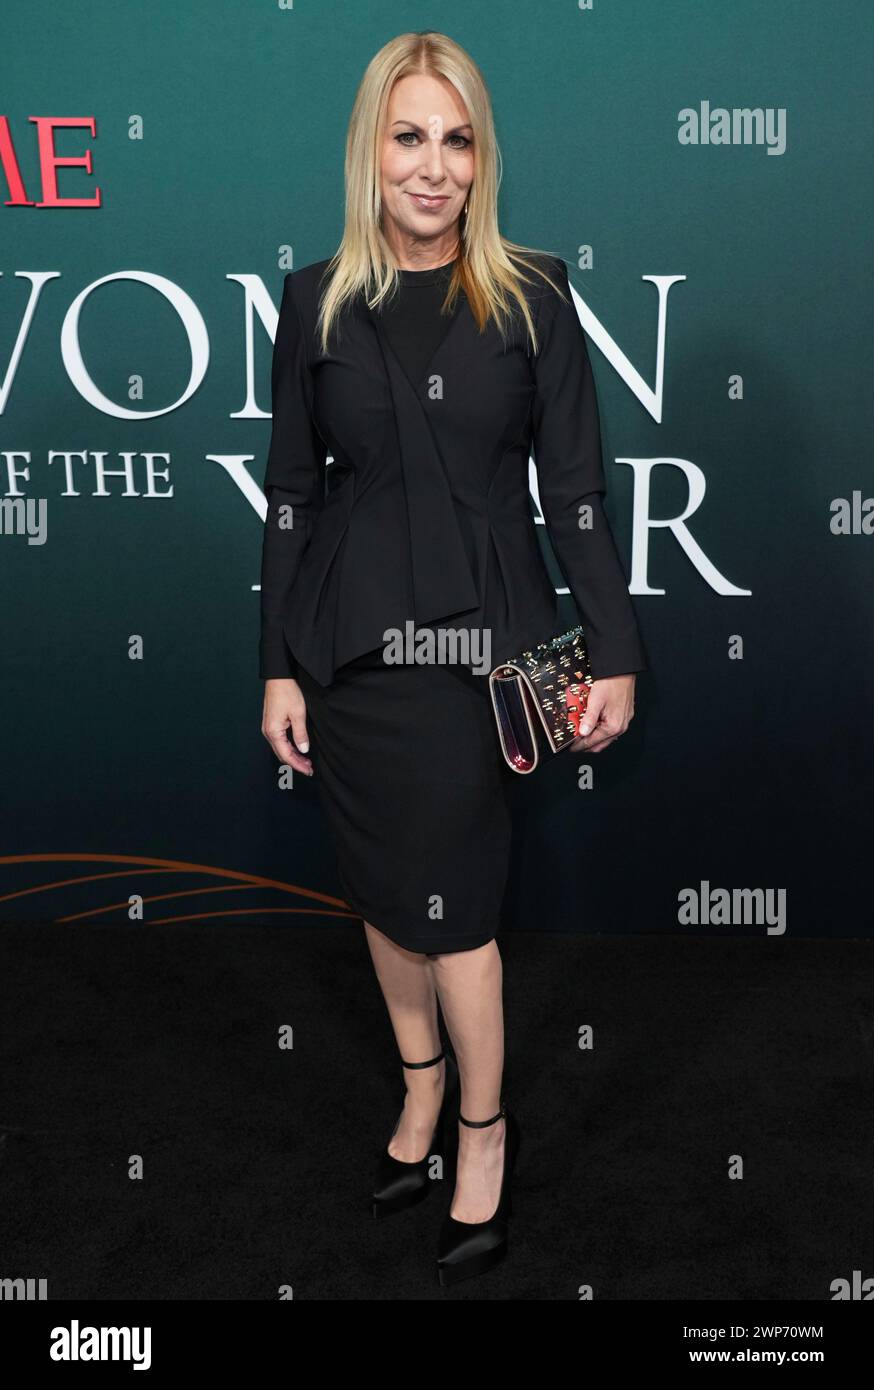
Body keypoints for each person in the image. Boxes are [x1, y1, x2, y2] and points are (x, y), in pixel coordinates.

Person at [259, 30, 647, 1287]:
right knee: (382, 894)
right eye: (409, 136)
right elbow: (292, 498)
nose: (433, 167)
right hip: (350, 654)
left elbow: (578, 493)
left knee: (458, 911)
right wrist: (279, 664)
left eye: (458, 139)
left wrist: (614, 648)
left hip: (479, 656)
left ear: (483, 159)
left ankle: (483, 1129)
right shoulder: (315, 296)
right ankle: (420, 1093)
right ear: (372, 150)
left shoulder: (531, 293)